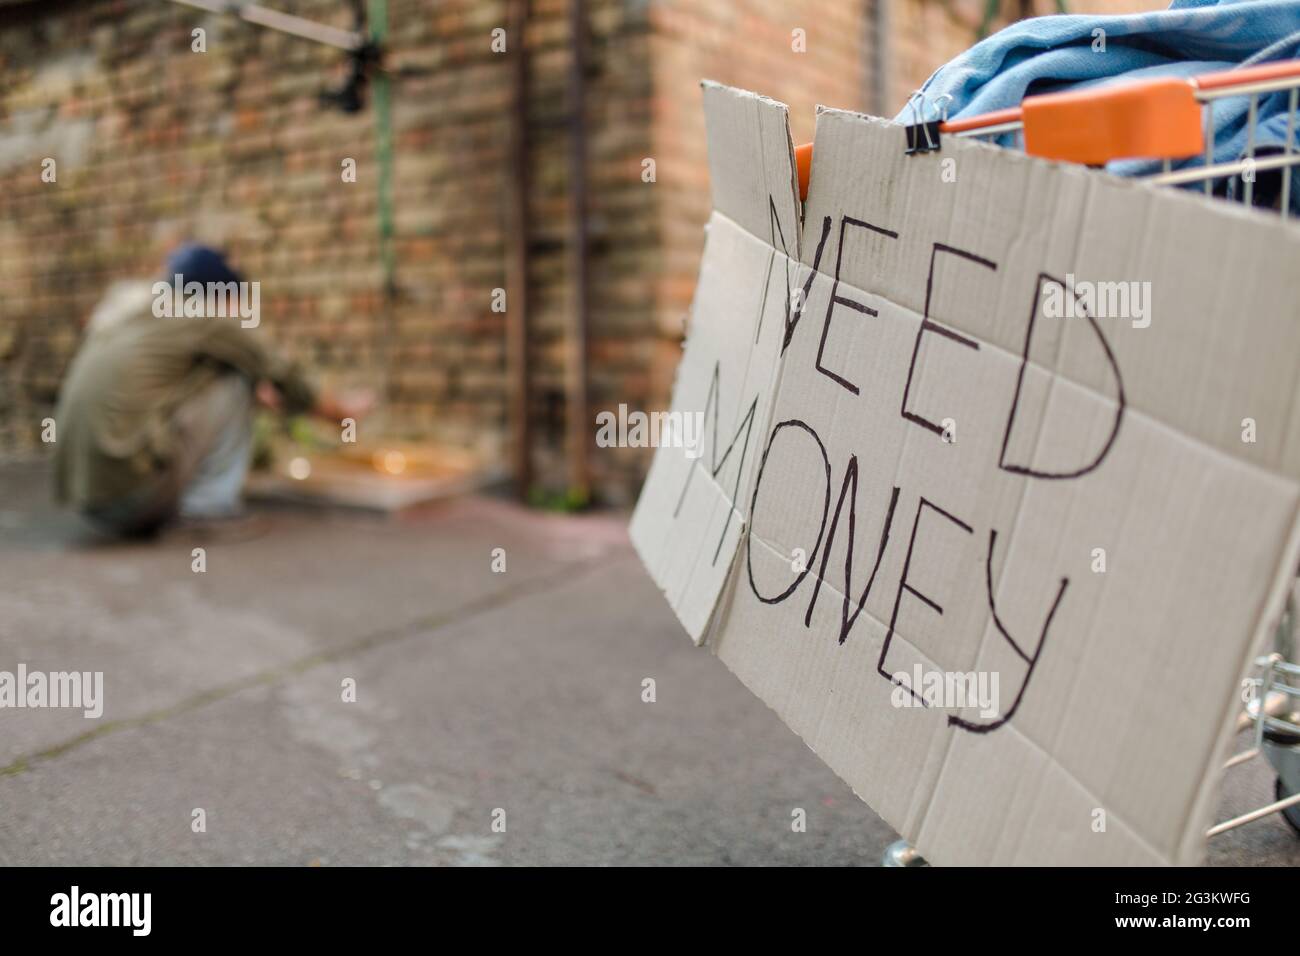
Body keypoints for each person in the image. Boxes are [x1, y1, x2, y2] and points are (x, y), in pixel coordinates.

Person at [53, 243, 372, 537]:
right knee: (239, 376)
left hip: (88, 502)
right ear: (219, 293)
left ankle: (188, 501)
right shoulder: (202, 315)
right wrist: (340, 413)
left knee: (227, 373)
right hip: (133, 501)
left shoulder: (130, 311)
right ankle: (209, 510)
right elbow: (281, 374)